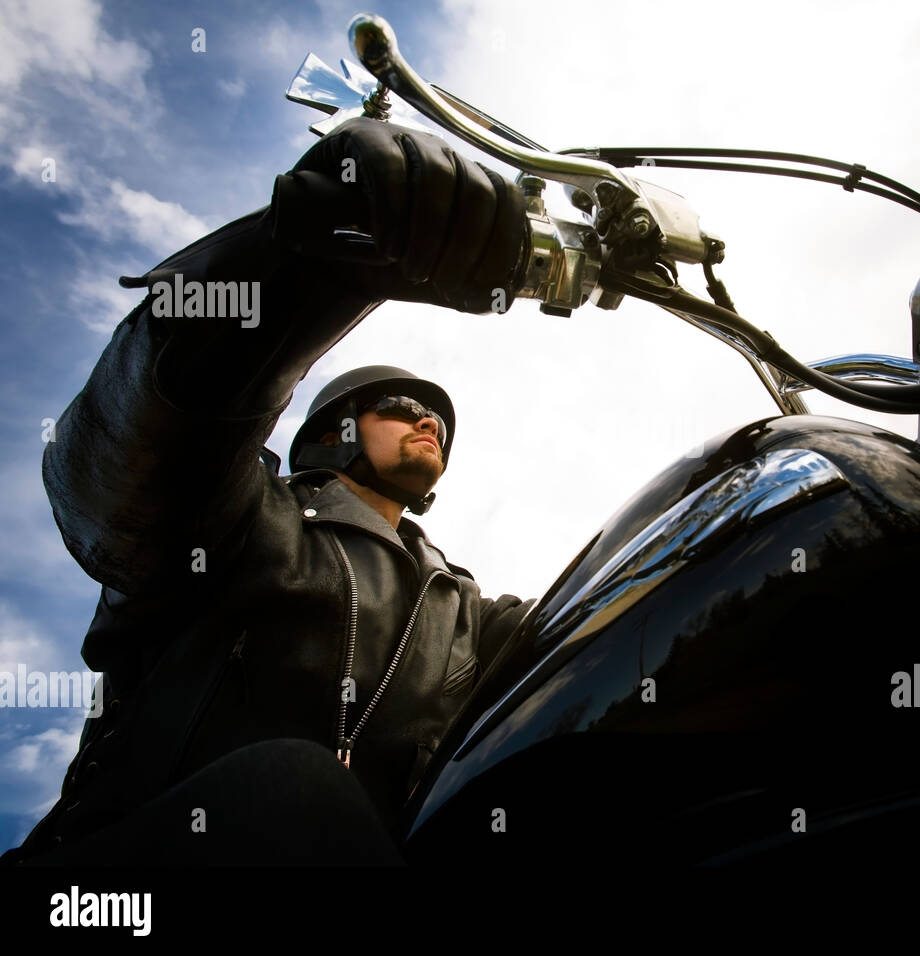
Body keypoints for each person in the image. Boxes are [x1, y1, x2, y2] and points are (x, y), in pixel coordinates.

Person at [0, 117, 536, 866]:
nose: (427, 423)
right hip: (110, 897)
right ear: (336, 432)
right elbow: (128, 459)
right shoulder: (241, 515)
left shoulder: (463, 613)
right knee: (294, 792)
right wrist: (302, 267)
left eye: (438, 419)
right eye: (403, 408)